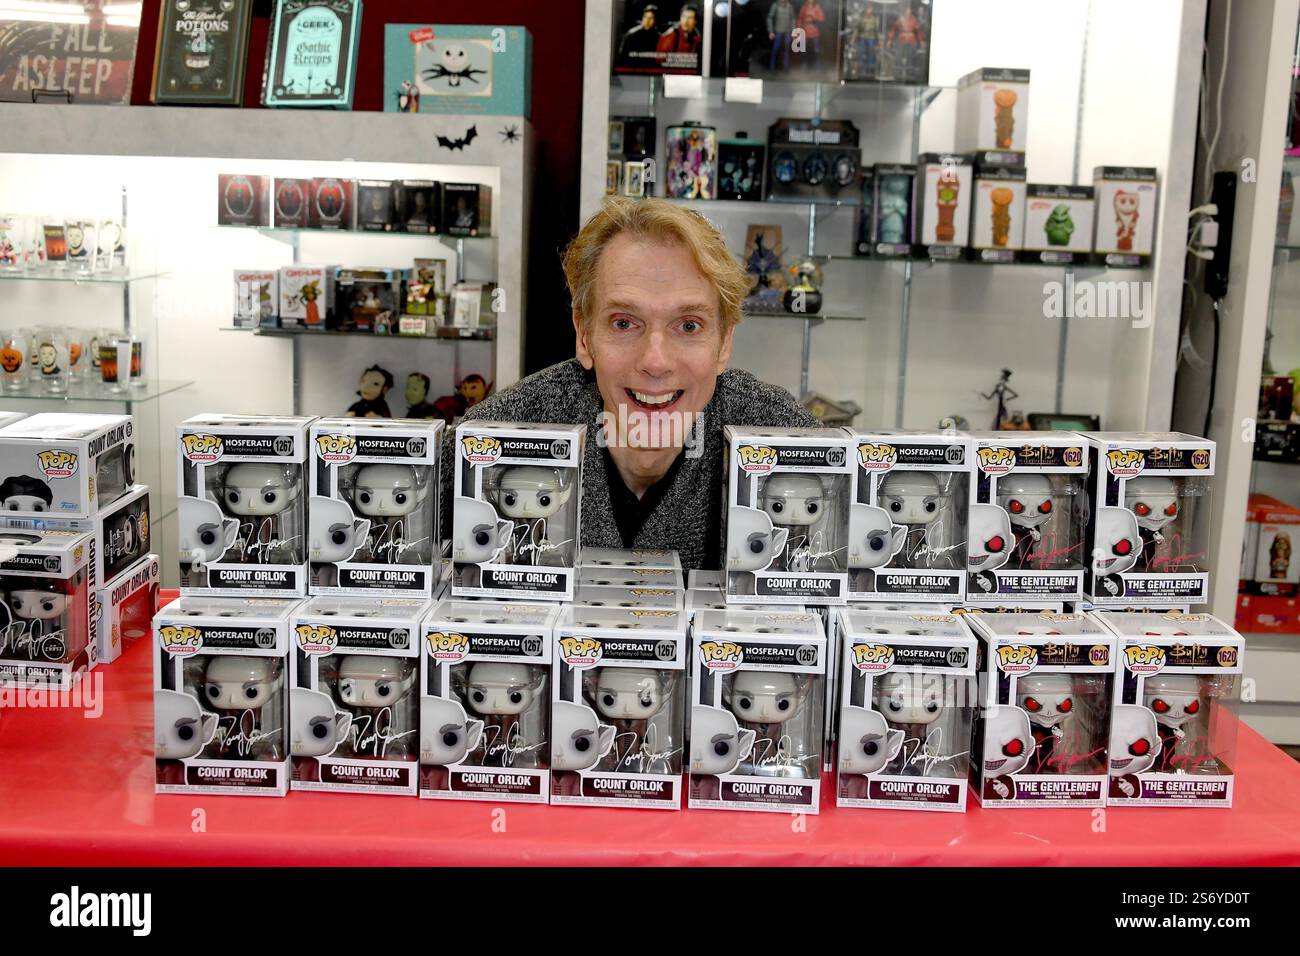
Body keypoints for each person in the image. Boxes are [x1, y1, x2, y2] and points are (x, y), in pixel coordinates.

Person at [445, 198, 818, 570]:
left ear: (724, 345)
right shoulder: (505, 430)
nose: (655, 361)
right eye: (624, 323)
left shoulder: (778, 433)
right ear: (584, 336)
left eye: (688, 326)